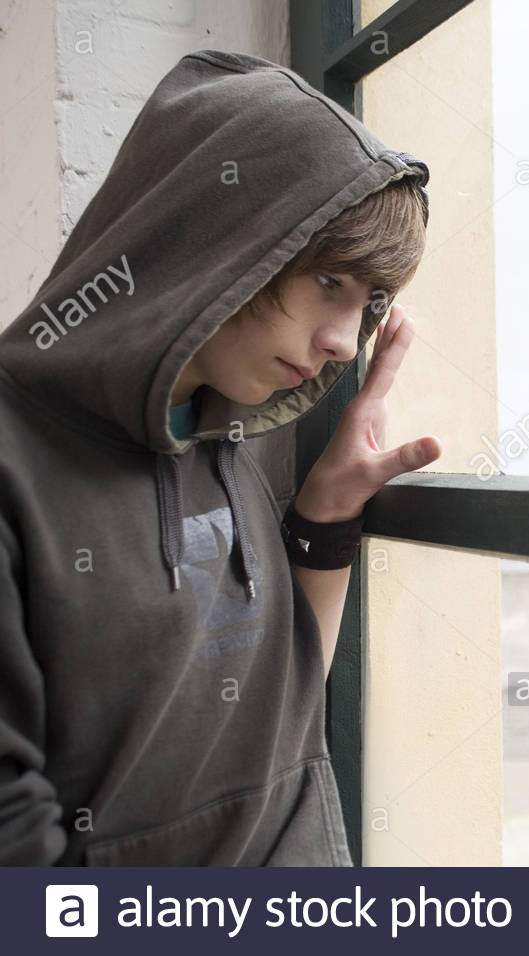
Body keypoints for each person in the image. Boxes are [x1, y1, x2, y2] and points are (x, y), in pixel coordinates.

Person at [0, 50, 442, 865]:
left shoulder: (229, 438)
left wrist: (326, 519)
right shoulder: (16, 462)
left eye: (369, 306)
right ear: (219, 235)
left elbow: (280, 713)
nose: (344, 341)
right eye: (330, 283)